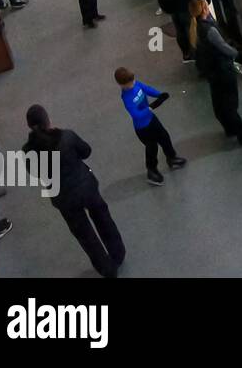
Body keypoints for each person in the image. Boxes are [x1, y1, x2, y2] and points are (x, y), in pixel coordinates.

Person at [23, 105, 125, 277]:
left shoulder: (28, 151)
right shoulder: (67, 137)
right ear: (48, 120)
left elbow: (34, 172)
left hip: (64, 198)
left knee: (84, 234)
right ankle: (117, 254)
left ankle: (107, 269)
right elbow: (86, 151)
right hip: (86, 187)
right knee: (102, 217)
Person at [189, 0, 242, 145]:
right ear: (205, 9)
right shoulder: (209, 29)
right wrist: (239, 53)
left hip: (212, 71)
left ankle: (229, 129)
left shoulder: (196, 27)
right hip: (222, 70)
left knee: (219, 102)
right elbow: (223, 47)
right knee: (230, 103)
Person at [115, 67, 186, 186]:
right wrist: (151, 107)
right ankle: (151, 171)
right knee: (152, 149)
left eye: (133, 81)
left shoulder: (135, 83)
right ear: (121, 85)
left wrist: (159, 95)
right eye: (129, 84)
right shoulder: (126, 98)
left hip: (152, 120)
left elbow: (146, 89)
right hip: (143, 128)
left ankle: (172, 158)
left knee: (164, 136)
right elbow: (136, 115)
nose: (132, 84)